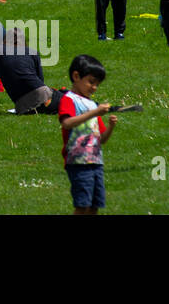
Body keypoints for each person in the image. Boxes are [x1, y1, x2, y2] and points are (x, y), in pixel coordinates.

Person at [59, 54, 118, 215]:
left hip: (96, 162)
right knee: (82, 205)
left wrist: (111, 126)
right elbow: (67, 123)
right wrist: (94, 113)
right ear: (76, 76)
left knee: (94, 205)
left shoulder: (92, 105)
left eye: (97, 84)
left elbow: (102, 139)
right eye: (91, 82)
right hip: (78, 162)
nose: (94, 87)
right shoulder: (69, 99)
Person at [0, 15, 62, 114]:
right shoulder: (32, 52)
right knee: (68, 97)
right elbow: (40, 80)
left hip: (22, 107)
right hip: (43, 96)